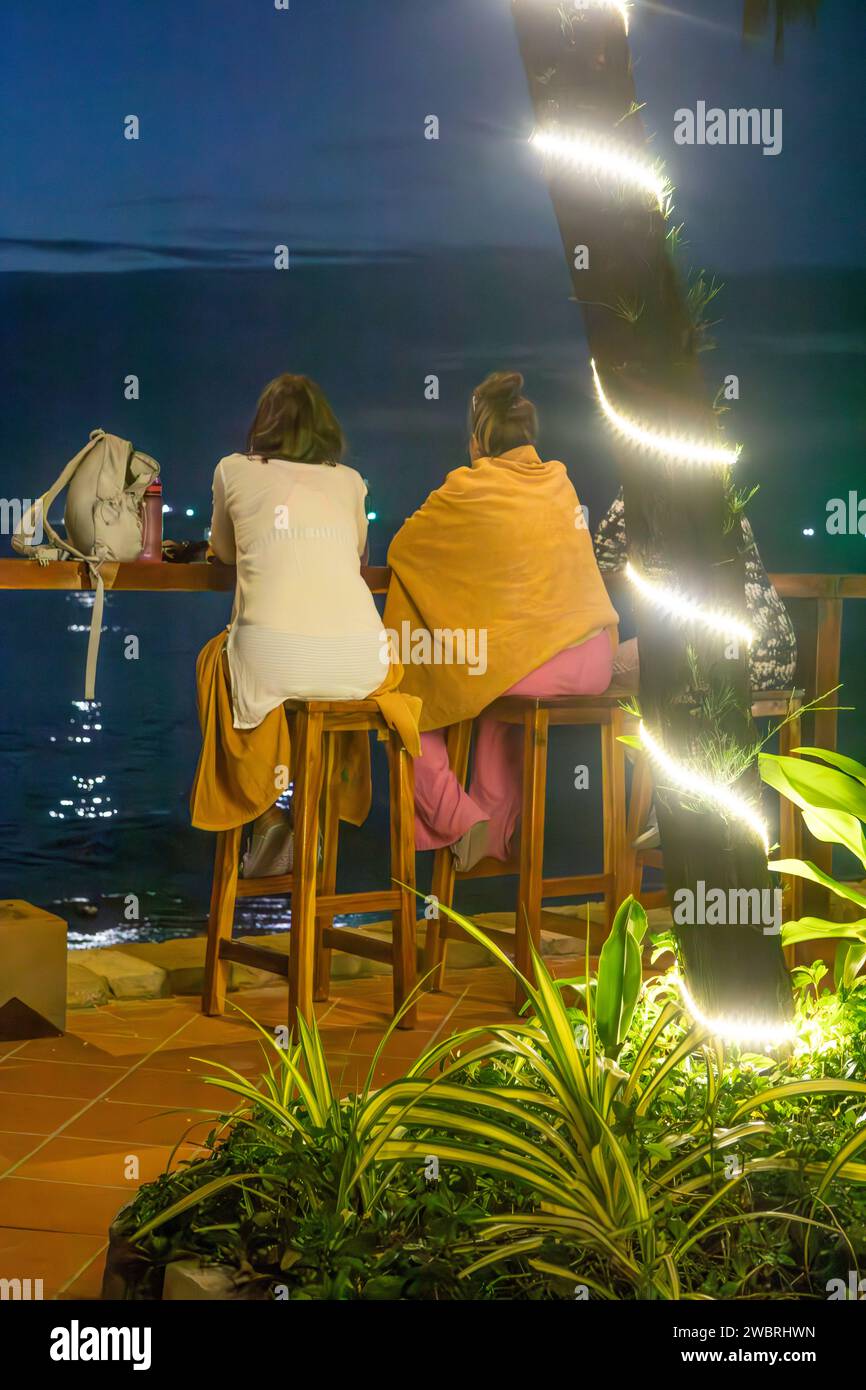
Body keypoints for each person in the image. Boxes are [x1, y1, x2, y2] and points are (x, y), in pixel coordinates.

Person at [384, 371, 619, 872]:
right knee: (495, 703)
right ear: (530, 438)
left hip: (535, 664)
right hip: (597, 658)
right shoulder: (558, 479)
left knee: (404, 693)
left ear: (476, 441)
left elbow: (404, 547)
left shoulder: (470, 487)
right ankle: (496, 830)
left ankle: (459, 820)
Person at [207, 373, 391, 876]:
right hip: (361, 664)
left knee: (220, 665)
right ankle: (320, 821)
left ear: (262, 427)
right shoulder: (351, 481)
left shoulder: (232, 469)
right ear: (325, 429)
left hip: (274, 658)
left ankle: (267, 817)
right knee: (301, 683)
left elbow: (224, 551)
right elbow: (355, 554)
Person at [593, 488, 797, 847]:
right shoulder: (717, 484)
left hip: (716, 656)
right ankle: (689, 796)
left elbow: (602, 559)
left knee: (607, 673)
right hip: (776, 656)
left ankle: (668, 805)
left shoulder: (642, 490)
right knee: (658, 677)